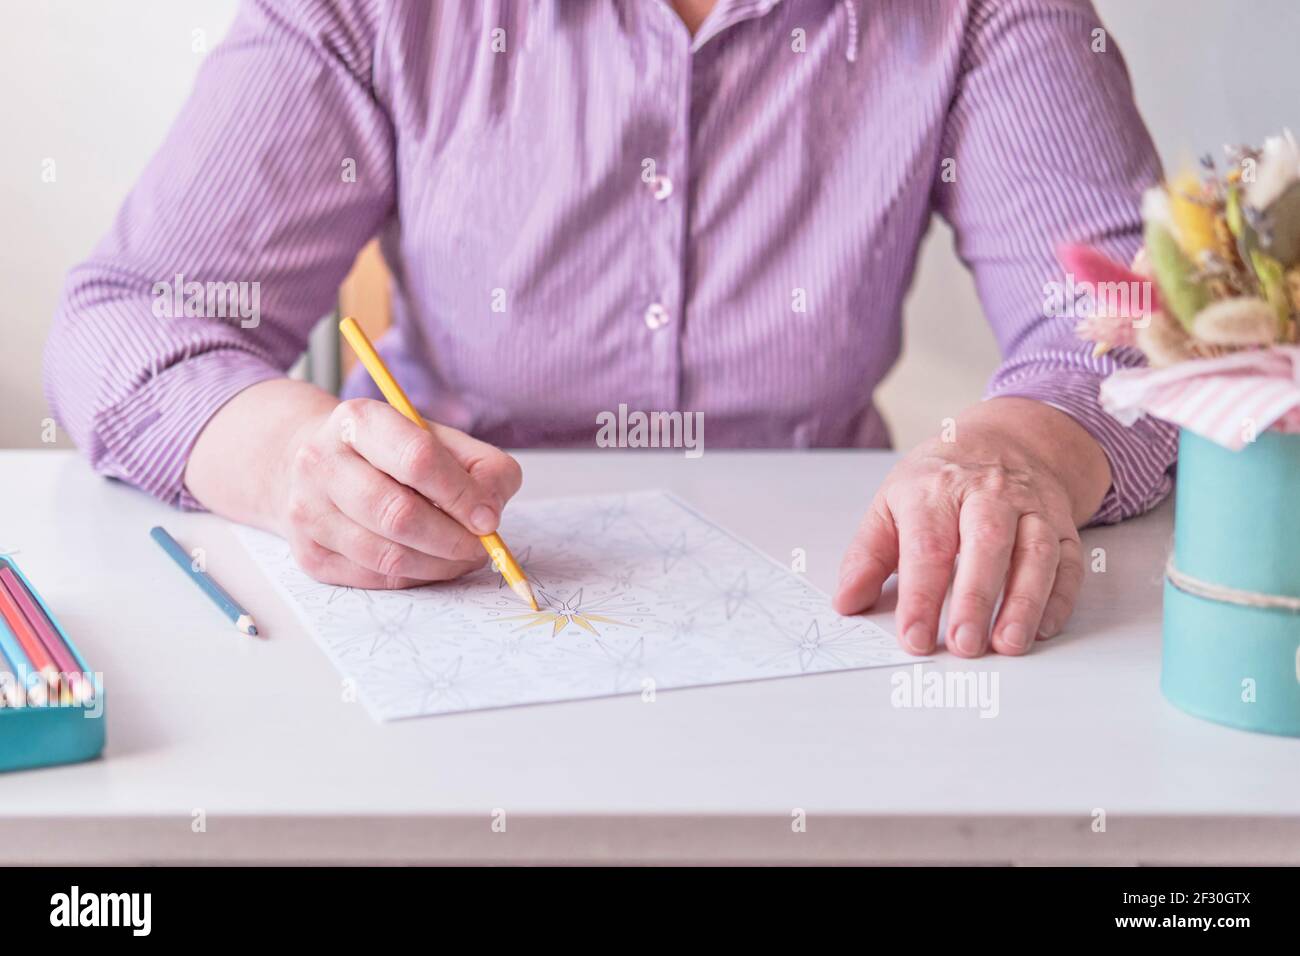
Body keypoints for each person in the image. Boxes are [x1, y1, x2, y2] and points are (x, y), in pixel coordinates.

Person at [45, 0, 1177, 658]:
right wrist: (295, 459)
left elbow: (1133, 318)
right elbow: (132, 316)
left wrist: (1016, 450)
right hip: (459, 604)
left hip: (835, 619)